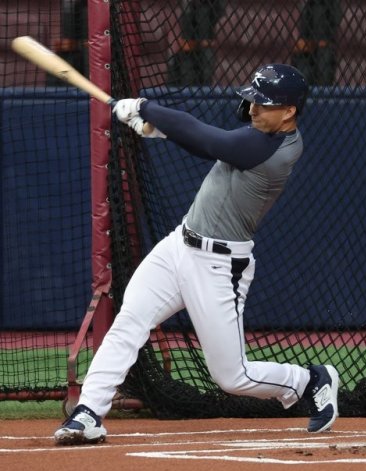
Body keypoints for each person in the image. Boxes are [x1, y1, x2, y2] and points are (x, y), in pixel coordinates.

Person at [54, 64, 339, 445]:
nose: (252, 109)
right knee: (130, 321)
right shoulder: (262, 134)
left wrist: (145, 108)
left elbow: (210, 142)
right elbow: (205, 144)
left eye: (263, 104)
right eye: (252, 100)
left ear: (289, 111)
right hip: (178, 246)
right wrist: (157, 129)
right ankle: (89, 412)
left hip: (220, 265)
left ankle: (310, 380)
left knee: (232, 377)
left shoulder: (277, 151)